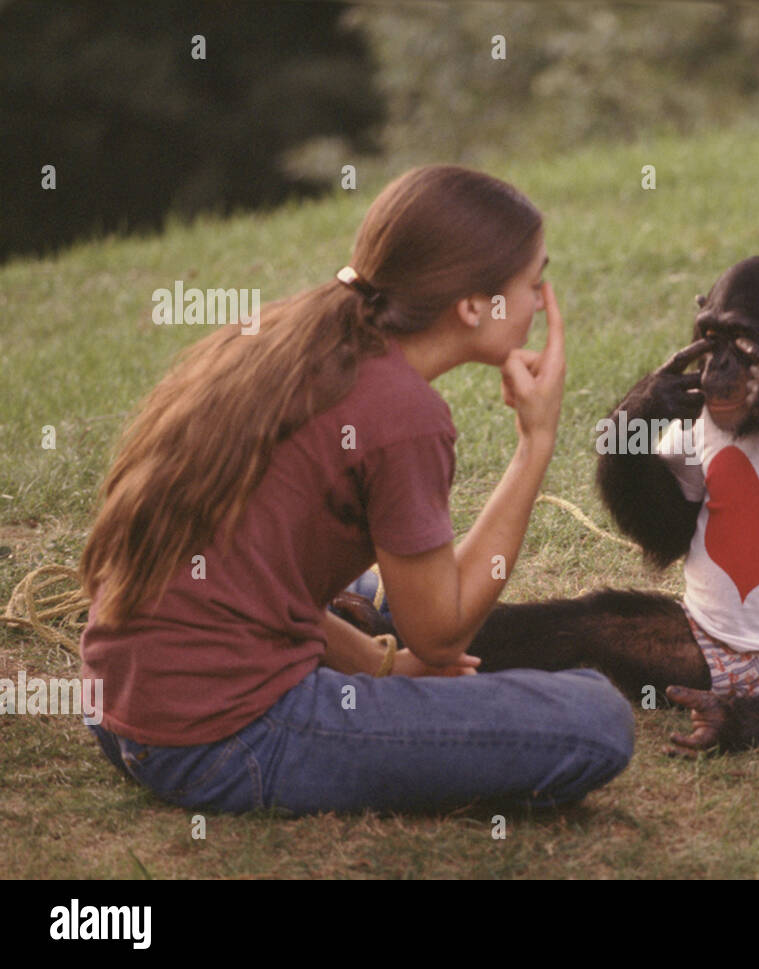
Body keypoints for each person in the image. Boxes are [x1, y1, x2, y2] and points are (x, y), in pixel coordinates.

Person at [77, 165, 635, 815]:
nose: (542, 300)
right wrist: (535, 442)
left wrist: (380, 666)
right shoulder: (405, 415)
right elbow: (441, 636)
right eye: (534, 280)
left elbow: (271, 579)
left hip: (120, 707)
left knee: (376, 592)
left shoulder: (296, 333)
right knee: (594, 718)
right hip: (221, 740)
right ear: (474, 305)